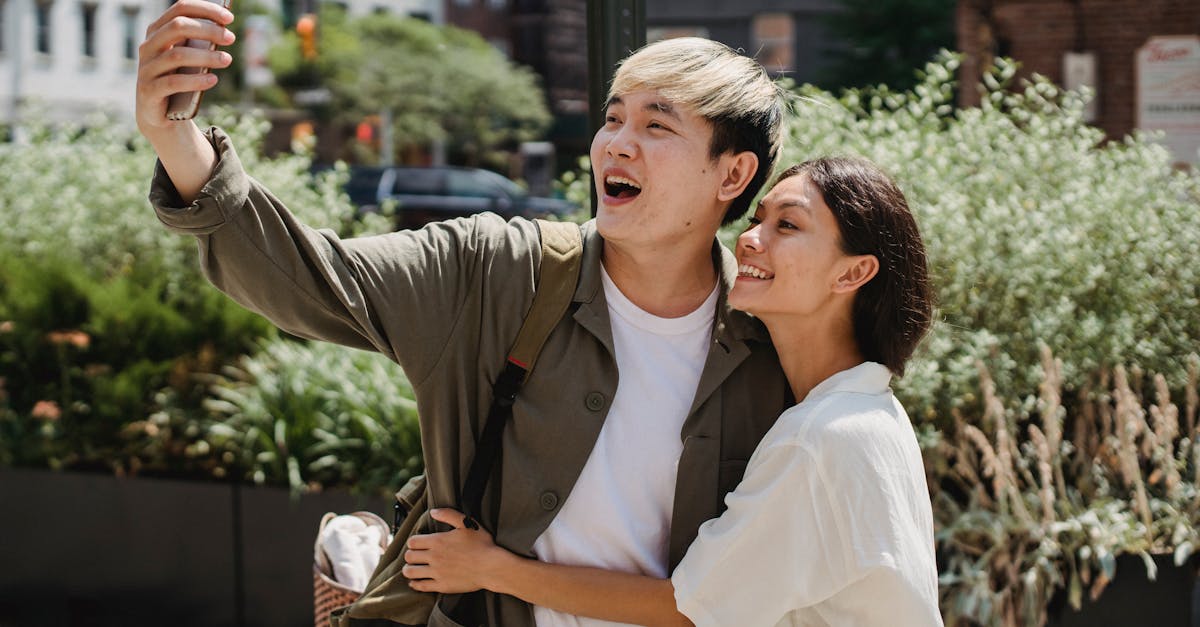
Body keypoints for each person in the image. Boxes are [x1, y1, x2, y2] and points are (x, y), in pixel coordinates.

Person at [136, 4, 791, 625]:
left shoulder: (770, 348)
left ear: (731, 175)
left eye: (657, 125)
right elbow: (312, 278)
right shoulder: (498, 271)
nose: (616, 144)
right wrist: (176, 136)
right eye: (613, 117)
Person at [396, 157, 943, 627]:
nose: (750, 238)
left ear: (853, 274)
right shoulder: (873, 412)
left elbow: (689, 610)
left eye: (788, 226)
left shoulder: (821, 438)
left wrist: (491, 569)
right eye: (756, 219)